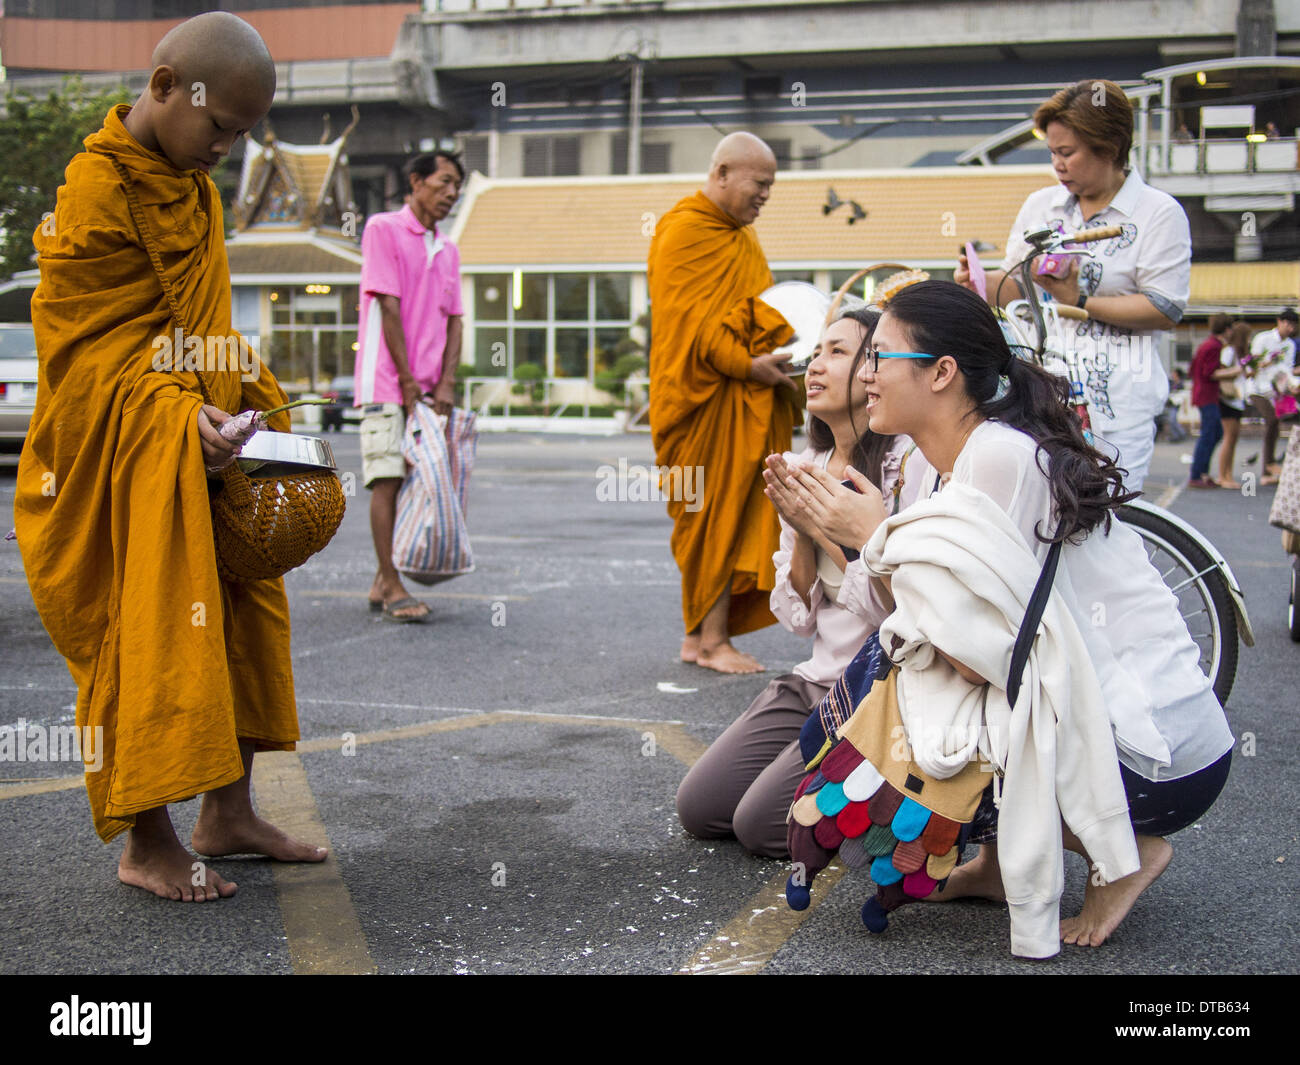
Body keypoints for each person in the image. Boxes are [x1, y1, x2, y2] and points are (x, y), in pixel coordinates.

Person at [781, 282, 1233, 949]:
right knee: (903, 670)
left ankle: (1124, 850)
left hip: (1155, 759)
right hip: (1115, 732)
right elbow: (921, 618)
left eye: (881, 357)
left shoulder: (997, 456)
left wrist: (874, 536)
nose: (866, 376)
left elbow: (974, 652)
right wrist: (852, 538)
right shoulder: (949, 464)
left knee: (922, 689)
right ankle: (995, 863)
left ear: (941, 373)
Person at [14, 12, 326, 901]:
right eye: (221, 126)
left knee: (233, 613)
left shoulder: (196, 189)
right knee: (137, 631)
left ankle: (226, 811)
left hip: (196, 439)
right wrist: (171, 411)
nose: (229, 147)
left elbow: (204, 331)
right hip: (115, 456)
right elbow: (87, 357)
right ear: (163, 87)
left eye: (243, 132)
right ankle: (145, 839)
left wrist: (246, 400)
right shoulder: (93, 189)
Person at [675, 306, 921, 856]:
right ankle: (856, 786)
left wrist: (824, 526)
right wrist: (805, 532)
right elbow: (795, 615)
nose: (815, 365)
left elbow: (899, 609)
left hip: (877, 689)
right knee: (701, 808)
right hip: (815, 681)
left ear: (873, 368)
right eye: (814, 352)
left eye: (837, 352)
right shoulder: (806, 463)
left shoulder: (905, 466)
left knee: (760, 828)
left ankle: (903, 799)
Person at [955, 79, 1191, 493]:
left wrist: (1079, 300)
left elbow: (1165, 308)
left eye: (1067, 153)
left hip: (1118, 399)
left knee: (1109, 516)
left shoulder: (1158, 213)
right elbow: (1015, 286)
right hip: (1039, 391)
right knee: (1037, 515)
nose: (1057, 165)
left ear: (1110, 146)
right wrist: (978, 282)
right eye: (1052, 153)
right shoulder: (1041, 206)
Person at [647, 131, 801, 674]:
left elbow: (754, 316)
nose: (765, 196)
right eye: (759, 184)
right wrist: (747, 366)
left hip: (744, 399)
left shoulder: (742, 240)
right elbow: (692, 330)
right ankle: (711, 642)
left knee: (730, 515)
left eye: (771, 187)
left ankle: (702, 637)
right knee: (706, 515)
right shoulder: (684, 232)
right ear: (722, 175)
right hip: (701, 401)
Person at [355, 150, 466, 622]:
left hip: (427, 389)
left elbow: (456, 321)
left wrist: (445, 383)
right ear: (416, 182)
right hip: (385, 383)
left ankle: (385, 578)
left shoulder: (448, 248)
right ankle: (394, 585)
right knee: (387, 480)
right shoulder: (383, 229)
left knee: (420, 483)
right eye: (443, 182)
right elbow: (388, 306)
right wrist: (403, 380)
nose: (452, 193)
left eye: (457, 185)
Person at [1244, 308, 1298, 486]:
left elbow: (1287, 370)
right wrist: (1266, 362)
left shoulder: (1290, 345)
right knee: (1272, 420)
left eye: (1293, 325)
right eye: (1288, 324)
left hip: (1278, 390)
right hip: (1258, 389)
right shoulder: (1263, 338)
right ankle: (1269, 464)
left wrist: (1291, 384)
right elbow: (1251, 365)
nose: (1290, 328)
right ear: (1279, 322)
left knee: (1281, 422)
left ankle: (1269, 469)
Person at [1187, 314, 1232, 487]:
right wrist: (1235, 371)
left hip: (1203, 393)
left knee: (1215, 432)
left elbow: (1193, 369)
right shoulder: (1214, 346)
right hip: (1207, 395)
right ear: (1226, 329)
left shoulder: (1206, 344)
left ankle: (1202, 472)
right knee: (1209, 433)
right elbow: (1210, 373)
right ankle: (1197, 474)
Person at [1216, 321, 1250, 489]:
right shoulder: (1229, 351)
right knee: (1229, 438)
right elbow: (1221, 371)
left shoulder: (1239, 354)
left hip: (1237, 399)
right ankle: (1222, 475)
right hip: (1228, 399)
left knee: (1233, 438)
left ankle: (1228, 474)